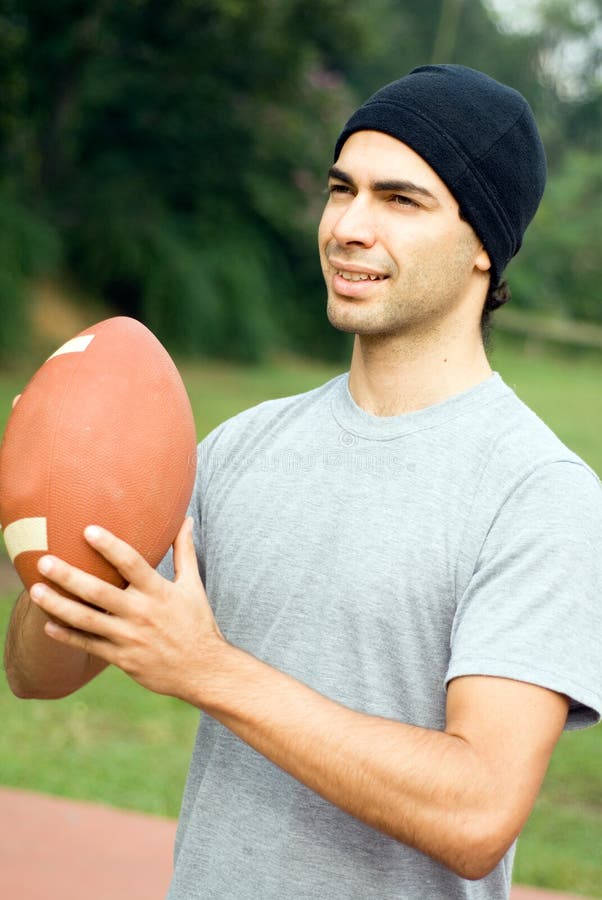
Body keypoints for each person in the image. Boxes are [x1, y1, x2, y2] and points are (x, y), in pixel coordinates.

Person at [4, 65, 602, 900]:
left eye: (400, 200)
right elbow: (39, 674)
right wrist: (52, 514)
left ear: (483, 246)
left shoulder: (538, 494)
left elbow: (478, 811)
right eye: (340, 188)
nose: (349, 226)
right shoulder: (239, 447)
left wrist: (208, 669)